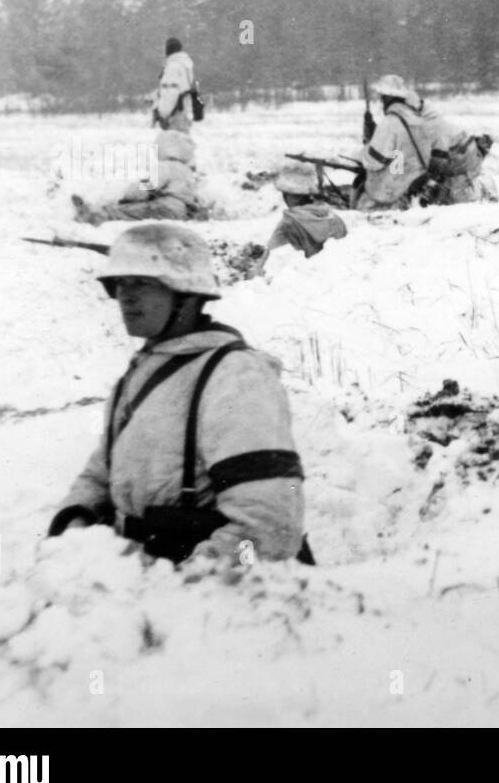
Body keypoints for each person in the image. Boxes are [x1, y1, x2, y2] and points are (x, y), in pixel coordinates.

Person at [47, 224, 312, 564]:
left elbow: (268, 527)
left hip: (205, 595)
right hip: (135, 577)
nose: (126, 296)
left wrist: (184, 588)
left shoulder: (236, 377)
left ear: (187, 294)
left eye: (143, 283)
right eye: (120, 284)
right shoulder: (142, 371)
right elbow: (101, 474)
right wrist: (74, 529)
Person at [355, 74, 494, 210]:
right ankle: (478, 188)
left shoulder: (410, 118)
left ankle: (480, 190)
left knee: (452, 200)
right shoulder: (419, 111)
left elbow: (378, 160)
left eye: (382, 98)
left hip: (457, 157)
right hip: (464, 151)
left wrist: (370, 144)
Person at [71, 129, 203, 224]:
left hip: (166, 207)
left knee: (126, 211)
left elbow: (147, 186)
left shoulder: (167, 166)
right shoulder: (186, 170)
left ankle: (93, 215)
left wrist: (129, 195)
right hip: (182, 210)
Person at [255, 173, 348, 275]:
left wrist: (257, 271)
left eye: (285, 194)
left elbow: (270, 252)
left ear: (289, 197)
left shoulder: (288, 222)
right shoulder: (331, 215)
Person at [153, 37, 196, 134]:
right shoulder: (185, 65)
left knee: (173, 146)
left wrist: (163, 115)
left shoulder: (173, 67)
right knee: (182, 143)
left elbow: (170, 93)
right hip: (184, 112)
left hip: (174, 114)